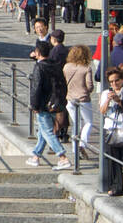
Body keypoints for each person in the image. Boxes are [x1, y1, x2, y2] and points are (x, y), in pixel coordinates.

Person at [27, 40, 72, 170]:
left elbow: (36, 88)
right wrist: (61, 101)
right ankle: (36, 156)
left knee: (47, 131)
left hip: (43, 104)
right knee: (43, 131)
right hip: (55, 104)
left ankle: (62, 157)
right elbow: (63, 85)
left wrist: (34, 106)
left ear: (38, 53)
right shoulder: (56, 65)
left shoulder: (39, 67)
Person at [99, 66, 123, 197]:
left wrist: (118, 100)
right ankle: (116, 187)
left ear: (122, 80)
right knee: (113, 159)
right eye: (111, 82)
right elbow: (102, 111)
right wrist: (108, 100)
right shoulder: (106, 93)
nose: (114, 84)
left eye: (116, 80)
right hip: (111, 127)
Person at [63, 44, 95, 160]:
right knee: (88, 122)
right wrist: (87, 90)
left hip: (70, 99)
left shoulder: (66, 67)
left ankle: (74, 148)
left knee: (76, 124)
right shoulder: (86, 68)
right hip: (83, 99)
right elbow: (90, 86)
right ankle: (82, 143)